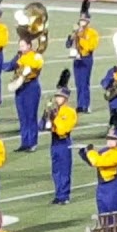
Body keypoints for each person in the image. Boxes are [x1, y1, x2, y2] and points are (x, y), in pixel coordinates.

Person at [3, 35, 43, 152]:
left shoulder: (35, 56)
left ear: (29, 46)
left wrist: (26, 67)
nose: (20, 48)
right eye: (20, 46)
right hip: (20, 88)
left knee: (31, 116)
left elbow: (37, 64)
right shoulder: (19, 56)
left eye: (23, 46)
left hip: (31, 87)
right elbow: (10, 66)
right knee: (22, 117)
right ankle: (24, 143)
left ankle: (32, 143)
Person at [46, 69, 78, 205]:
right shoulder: (54, 110)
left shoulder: (70, 112)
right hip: (54, 142)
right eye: (56, 97)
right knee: (56, 170)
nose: (57, 99)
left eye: (59, 97)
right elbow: (42, 126)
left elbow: (63, 130)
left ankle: (64, 195)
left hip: (64, 142)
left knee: (64, 170)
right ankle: (58, 194)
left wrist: (54, 119)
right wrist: (46, 115)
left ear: (65, 98)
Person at [81, 127, 117, 214]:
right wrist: (84, 153)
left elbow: (98, 161)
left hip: (112, 186)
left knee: (112, 215)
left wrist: (90, 152)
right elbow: (92, 162)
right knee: (102, 215)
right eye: (108, 138)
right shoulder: (105, 150)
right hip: (101, 186)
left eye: (113, 139)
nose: (109, 141)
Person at [68, 0, 98, 114]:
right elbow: (68, 44)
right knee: (78, 82)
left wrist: (81, 37)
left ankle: (86, 105)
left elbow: (91, 47)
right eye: (81, 20)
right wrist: (72, 35)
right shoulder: (76, 31)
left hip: (86, 58)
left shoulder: (92, 33)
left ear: (88, 21)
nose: (82, 22)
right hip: (76, 58)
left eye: (84, 20)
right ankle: (80, 105)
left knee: (85, 82)